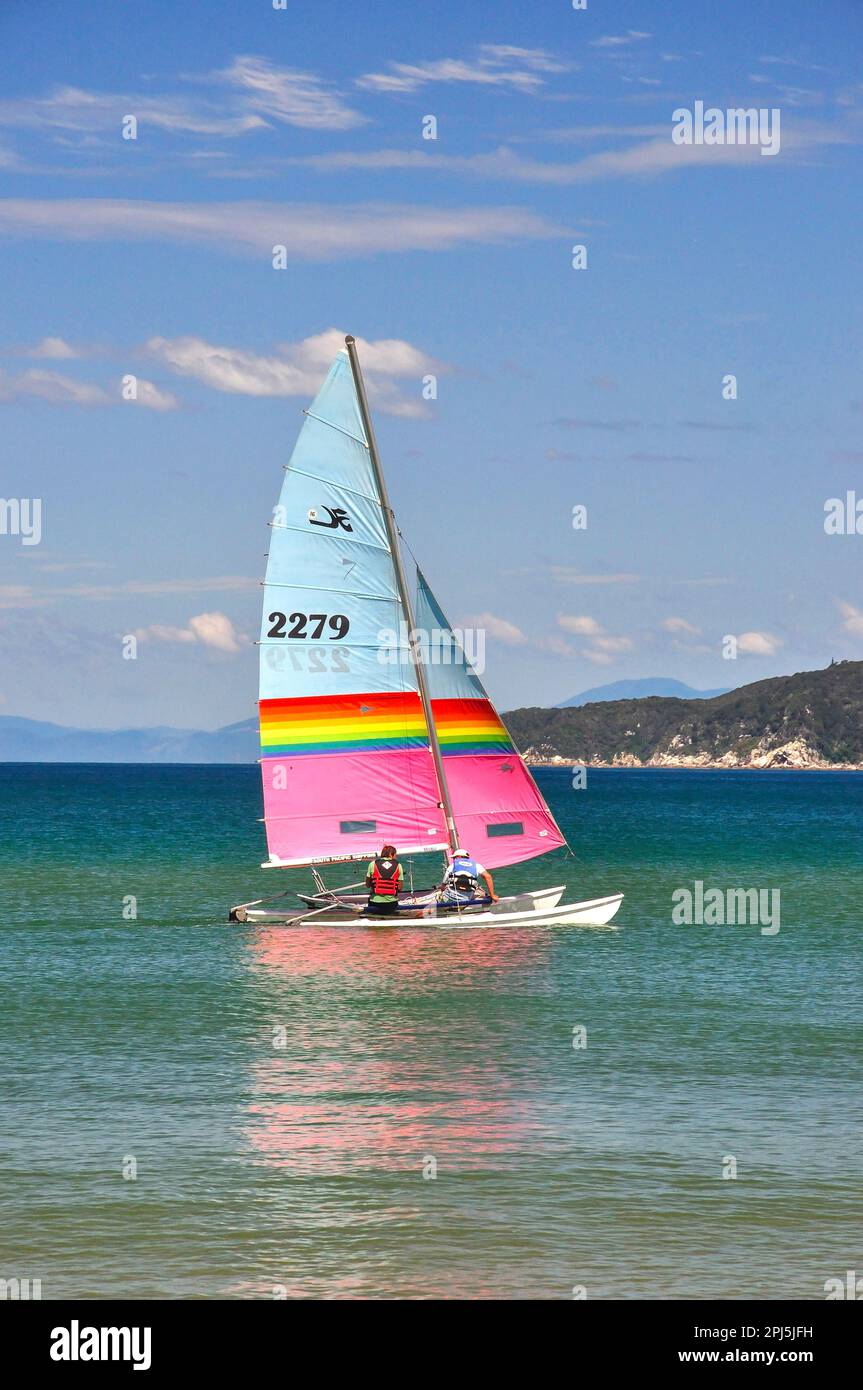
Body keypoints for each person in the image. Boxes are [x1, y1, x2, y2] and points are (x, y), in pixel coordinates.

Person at [364, 845, 404, 917]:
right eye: (395, 855)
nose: (396, 857)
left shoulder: (372, 864)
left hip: (375, 903)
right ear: (391, 854)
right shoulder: (399, 865)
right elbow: (400, 888)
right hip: (391, 904)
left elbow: (367, 885)